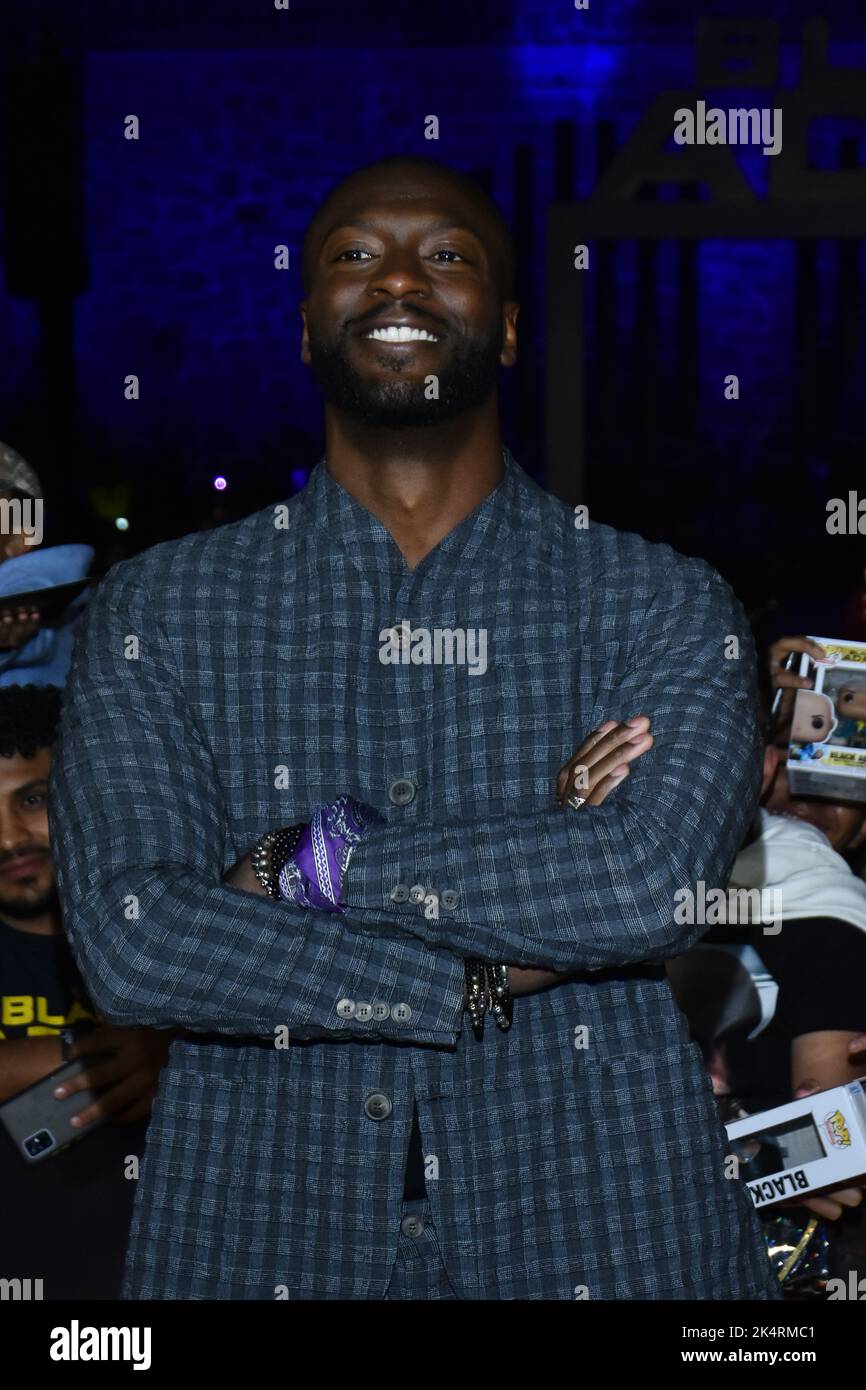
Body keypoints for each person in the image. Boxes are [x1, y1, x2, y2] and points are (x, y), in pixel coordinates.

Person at [49, 154, 779, 1301]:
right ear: (304, 329)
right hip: (254, 1236)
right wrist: (497, 940)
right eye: (353, 255)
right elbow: (138, 940)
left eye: (445, 255)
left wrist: (302, 864)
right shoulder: (157, 608)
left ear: (507, 331)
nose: (397, 280)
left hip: (607, 1226)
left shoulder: (659, 600)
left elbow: (647, 885)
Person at [0, 685, 172, 1297]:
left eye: (33, 799)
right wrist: (98, 1054)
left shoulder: (161, 916)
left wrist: (173, 1051)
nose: (10, 838)